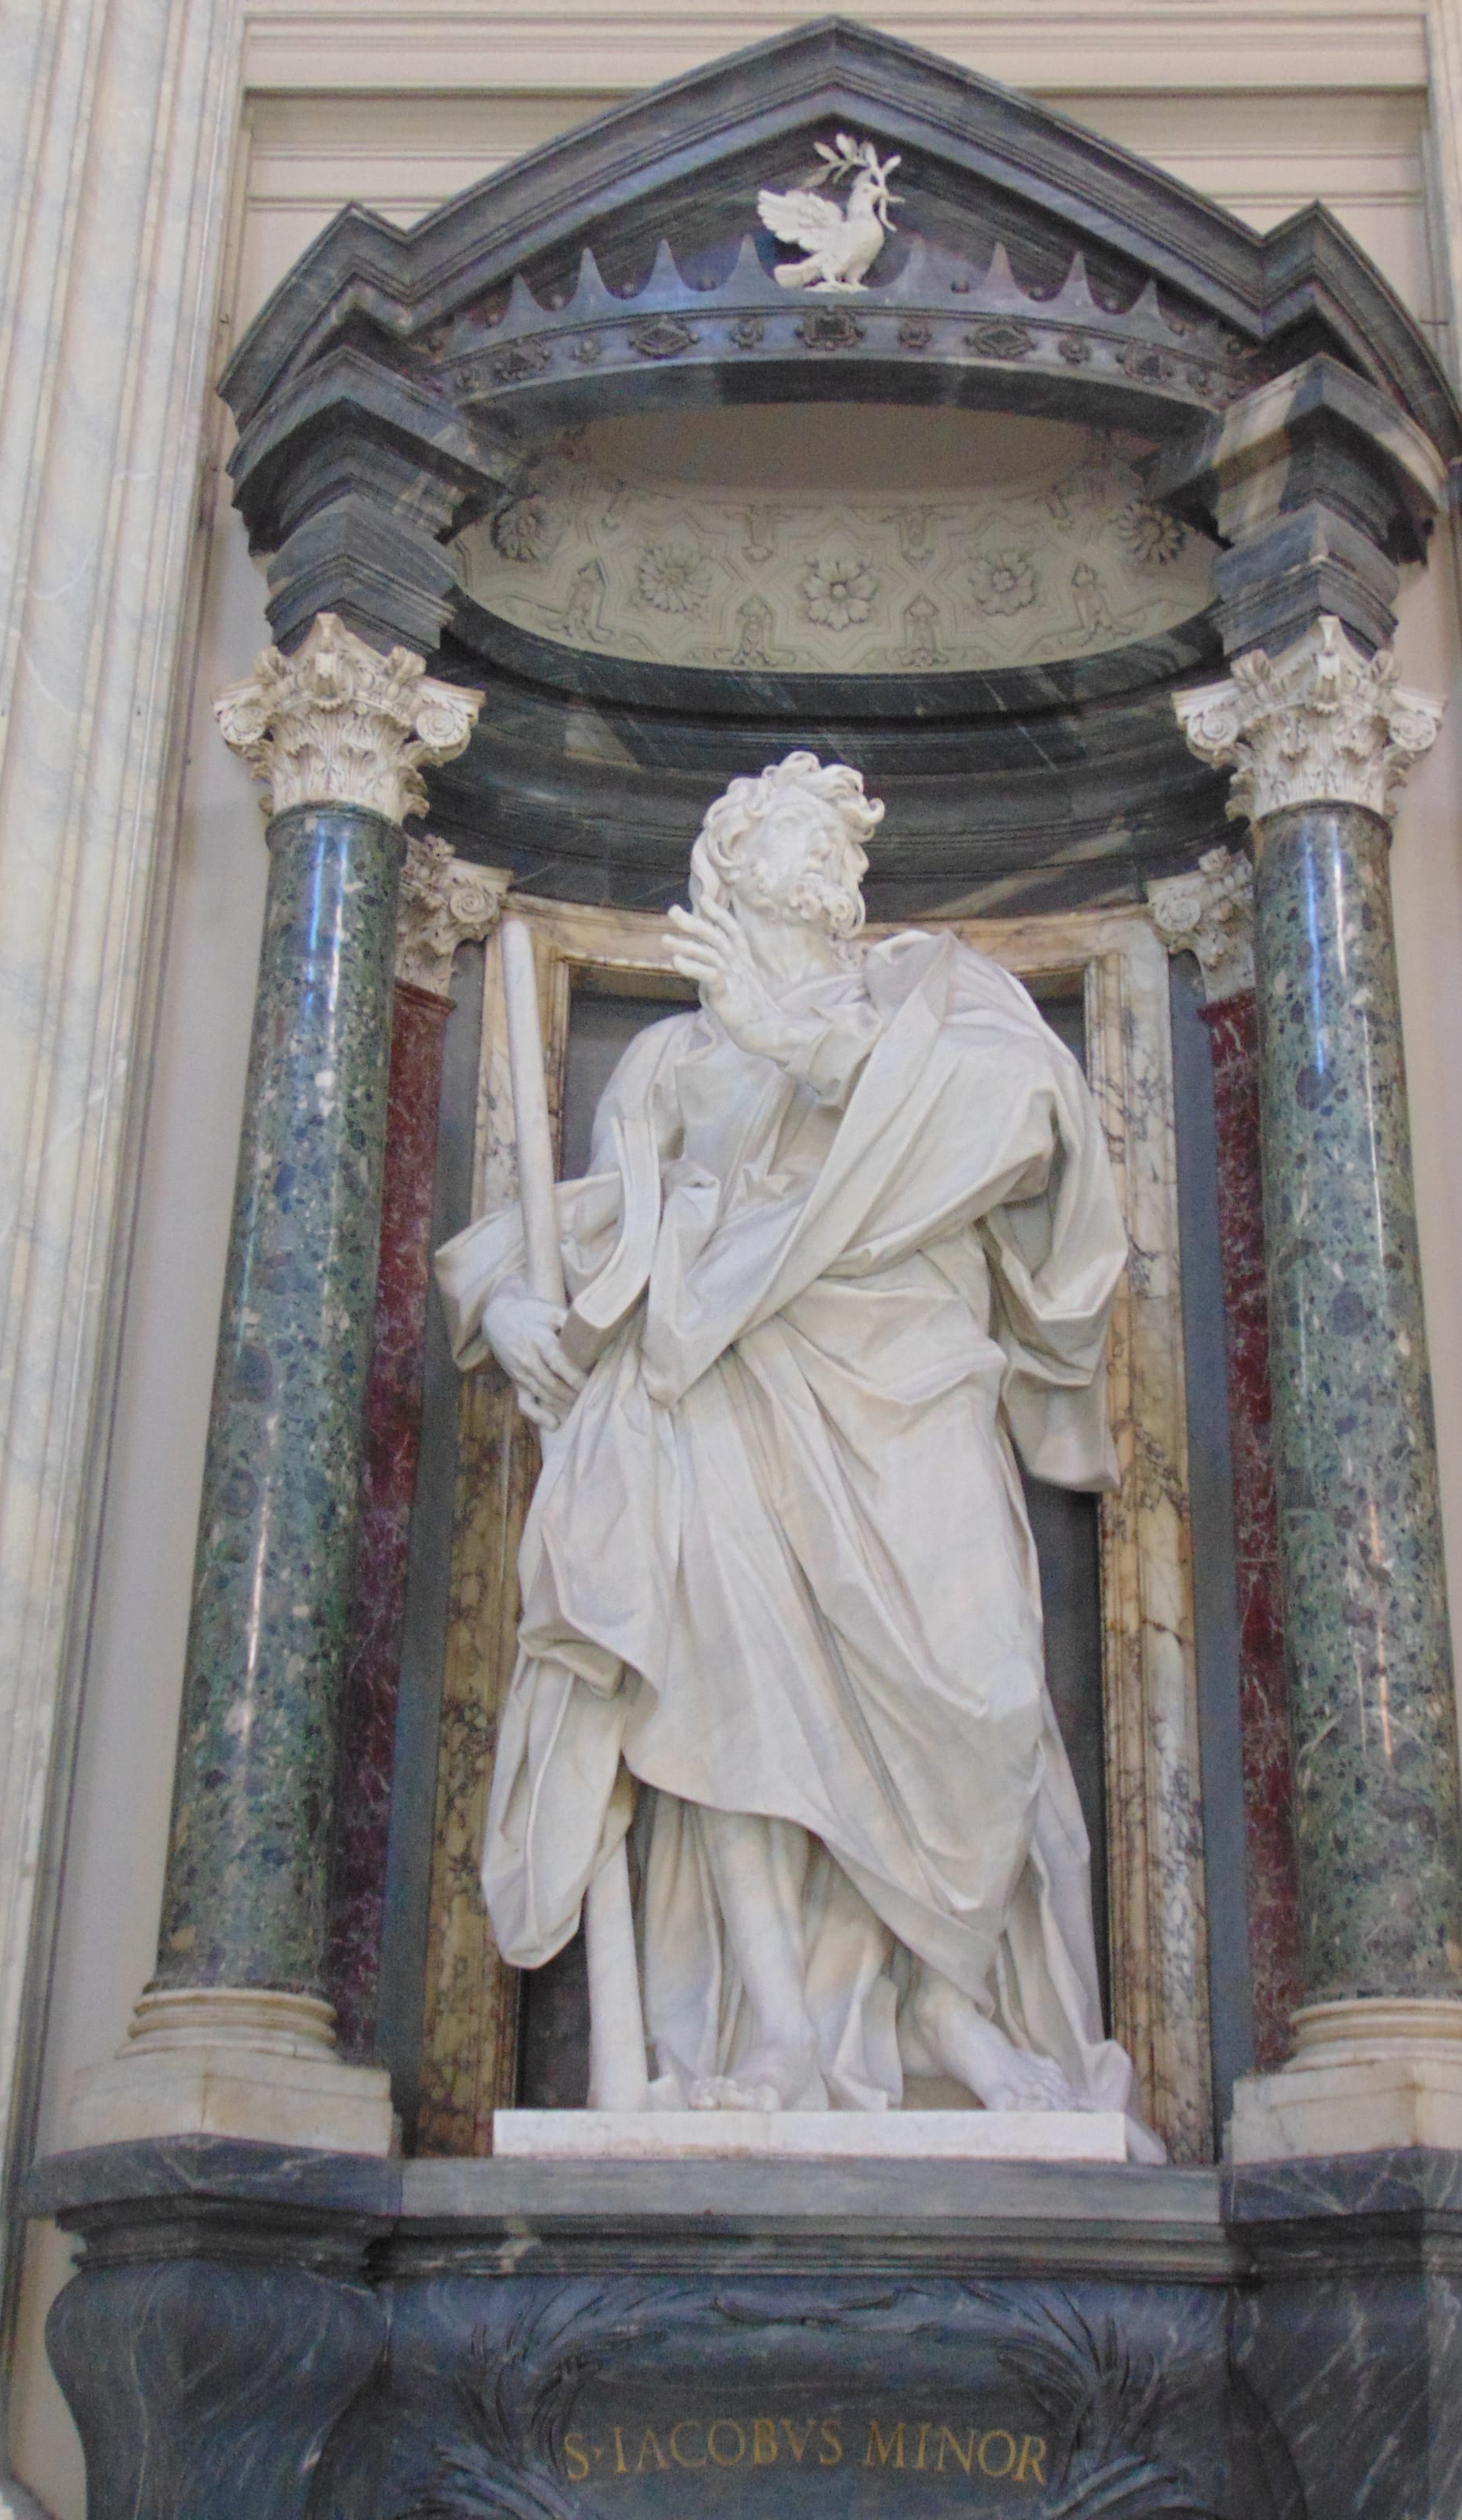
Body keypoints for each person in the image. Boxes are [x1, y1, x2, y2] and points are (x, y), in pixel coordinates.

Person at [435, 753, 1157, 2152]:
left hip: (909, 1388)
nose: (833, 847)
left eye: (844, 833)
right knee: (728, 1699)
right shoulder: (669, 1062)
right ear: (725, 864)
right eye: (796, 827)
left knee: (983, 1687)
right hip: (722, 1393)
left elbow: (1029, 1125)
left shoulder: (931, 994)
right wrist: (512, 1302)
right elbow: (598, 1228)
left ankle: (952, 2003)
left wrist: (807, 1044)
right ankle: (778, 2025)